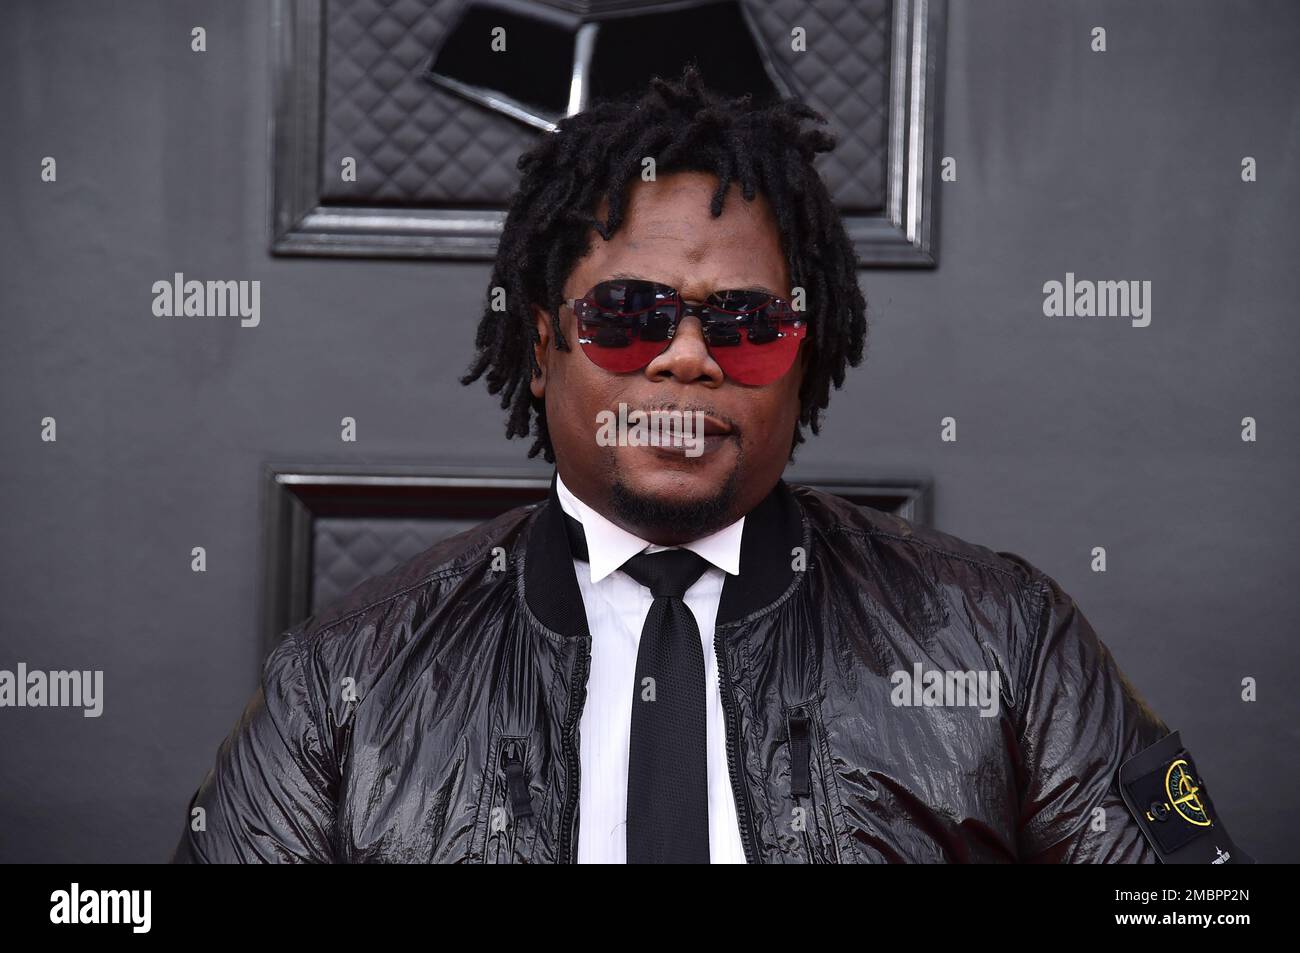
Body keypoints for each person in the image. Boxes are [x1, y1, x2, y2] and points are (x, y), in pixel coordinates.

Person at [172, 67, 1247, 864]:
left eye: (743, 323)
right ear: (541, 348)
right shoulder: (344, 681)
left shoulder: (1006, 636)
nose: (687, 356)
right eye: (628, 316)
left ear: (801, 360)